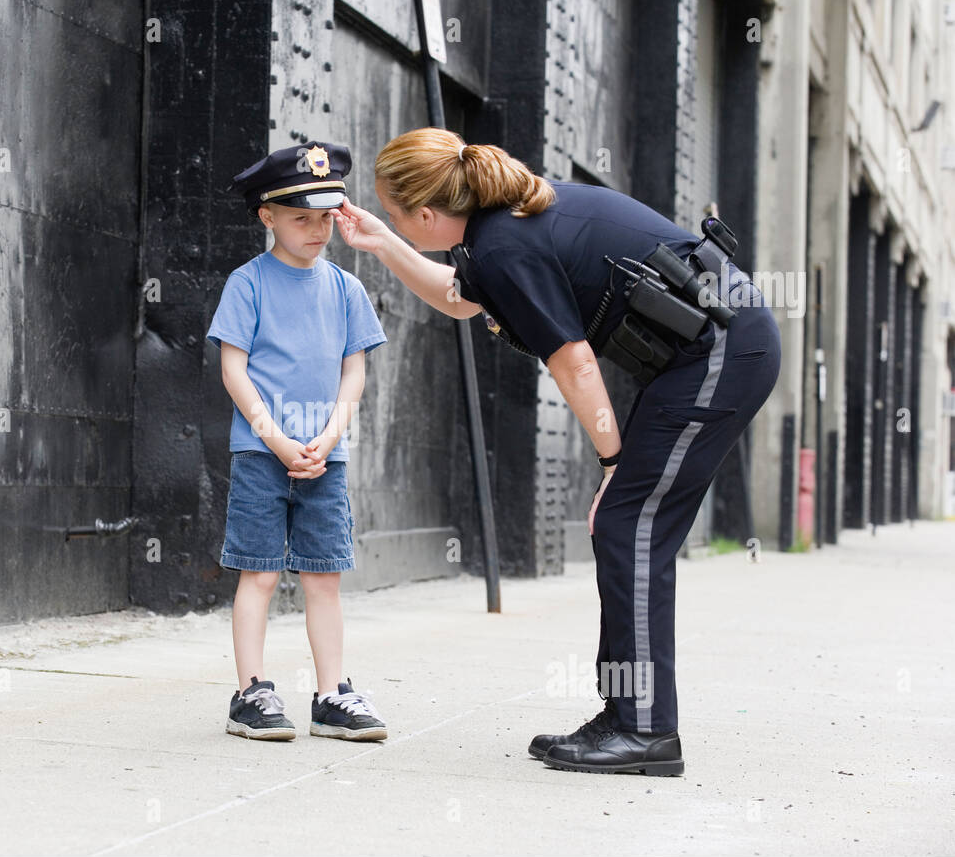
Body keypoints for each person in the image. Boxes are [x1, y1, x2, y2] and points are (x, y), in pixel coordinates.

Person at [331, 127, 781, 775]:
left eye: (399, 216)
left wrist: (610, 460)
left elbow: (572, 361)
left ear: (429, 214)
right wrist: (383, 241)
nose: (398, 223)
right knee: (624, 526)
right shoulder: (500, 231)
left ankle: (644, 729)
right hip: (709, 354)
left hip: (723, 353)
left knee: (629, 524)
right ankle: (627, 715)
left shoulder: (505, 244)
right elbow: (460, 299)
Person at [206, 141, 390, 743]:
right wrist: (280, 441)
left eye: (325, 218)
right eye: (300, 218)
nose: (316, 230)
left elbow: (354, 372)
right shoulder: (247, 283)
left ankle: (332, 694)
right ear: (268, 217)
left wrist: (329, 436)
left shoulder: (346, 289)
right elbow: (235, 370)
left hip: (325, 459)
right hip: (264, 455)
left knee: (323, 576)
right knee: (257, 573)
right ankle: (250, 692)